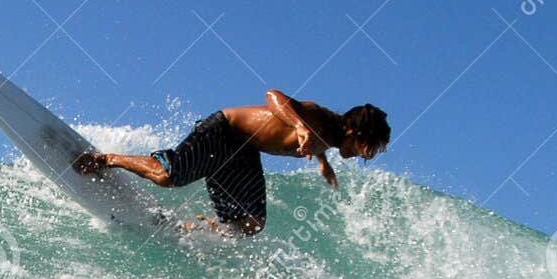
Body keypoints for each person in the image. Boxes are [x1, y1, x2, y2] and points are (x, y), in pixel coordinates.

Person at [74, 91, 390, 234]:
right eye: (369, 146)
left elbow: (319, 144)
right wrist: (299, 126)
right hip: (226, 129)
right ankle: (108, 158)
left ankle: (191, 228)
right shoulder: (319, 119)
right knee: (168, 176)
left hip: (242, 150)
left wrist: (323, 163)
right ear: (355, 131)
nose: (368, 155)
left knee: (251, 222)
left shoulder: (330, 139)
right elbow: (274, 96)